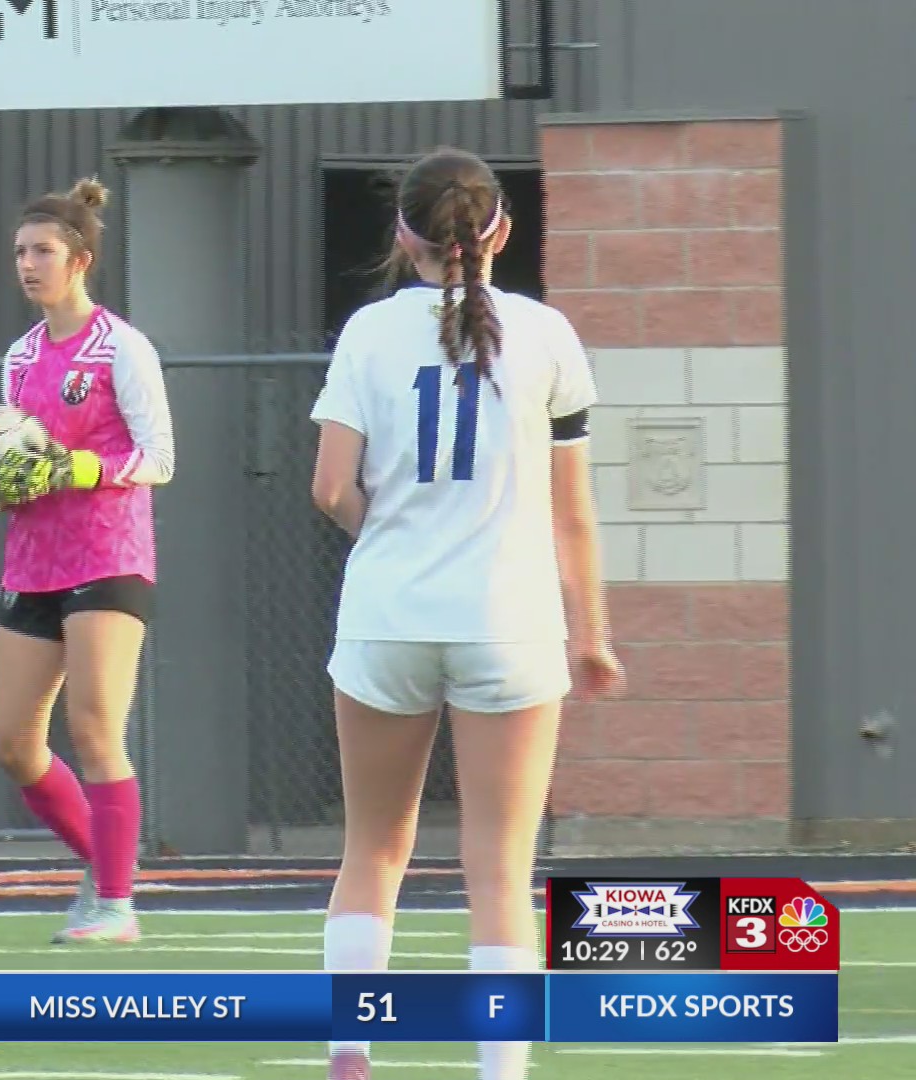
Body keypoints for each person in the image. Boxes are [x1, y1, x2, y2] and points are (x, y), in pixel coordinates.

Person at [306, 147, 626, 1080]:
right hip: (509, 619)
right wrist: (593, 635)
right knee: (499, 868)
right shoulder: (546, 334)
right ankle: (500, 1072)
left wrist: (389, 531)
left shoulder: (368, 332)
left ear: (403, 235)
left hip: (388, 615)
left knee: (373, 849)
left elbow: (330, 487)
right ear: (500, 232)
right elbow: (572, 513)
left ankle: (350, 1051)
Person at [0, 177, 175, 945]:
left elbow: (160, 458)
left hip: (108, 556)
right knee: (11, 743)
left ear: (80, 260)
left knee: (95, 726)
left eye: (42, 251)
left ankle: (115, 906)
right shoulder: (20, 357)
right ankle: (108, 867)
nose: (27, 264)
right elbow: (24, 460)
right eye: (20, 252)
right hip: (33, 558)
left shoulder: (121, 347)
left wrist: (81, 468)